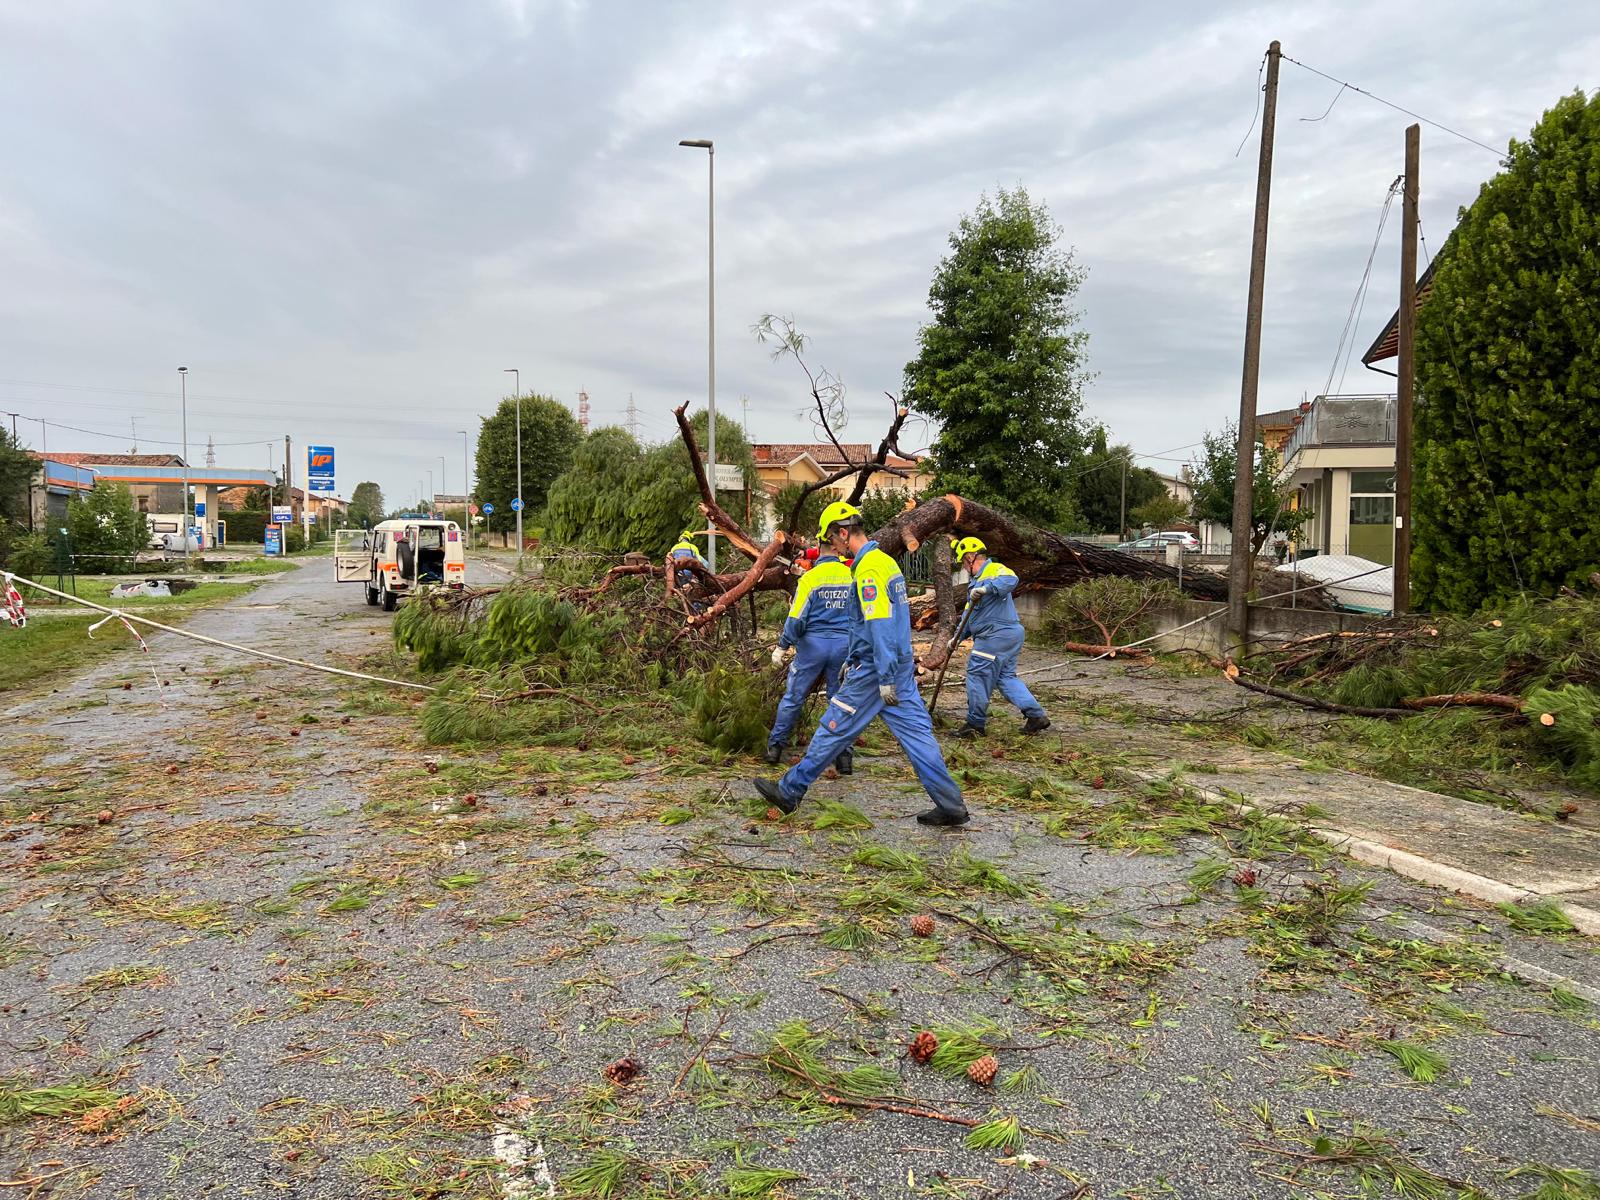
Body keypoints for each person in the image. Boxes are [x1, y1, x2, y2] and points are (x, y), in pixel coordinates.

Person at [753, 502, 969, 827]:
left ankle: (790, 790)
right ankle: (951, 805)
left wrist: (879, 673)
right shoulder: (886, 563)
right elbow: (887, 621)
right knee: (918, 736)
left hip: (875, 671)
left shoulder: (868, 570)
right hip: (898, 665)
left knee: (833, 726)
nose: (834, 547)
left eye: (833, 540)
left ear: (843, 533)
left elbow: (880, 623)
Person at [765, 541, 853, 771]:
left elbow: (797, 618)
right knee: (840, 701)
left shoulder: (810, 579)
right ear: (836, 550)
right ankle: (844, 756)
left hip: (812, 646)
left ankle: (775, 747)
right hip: (844, 645)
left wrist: (783, 646)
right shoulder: (851, 576)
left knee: (794, 697)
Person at [951, 537, 1050, 739]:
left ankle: (974, 724)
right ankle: (1036, 715)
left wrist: (987, 588)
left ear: (971, 557)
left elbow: (1011, 579)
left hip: (994, 636)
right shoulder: (975, 584)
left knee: (977, 675)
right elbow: (969, 619)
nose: (963, 566)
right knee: (1005, 678)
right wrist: (955, 639)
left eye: (963, 562)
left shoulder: (994, 569)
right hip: (1008, 636)